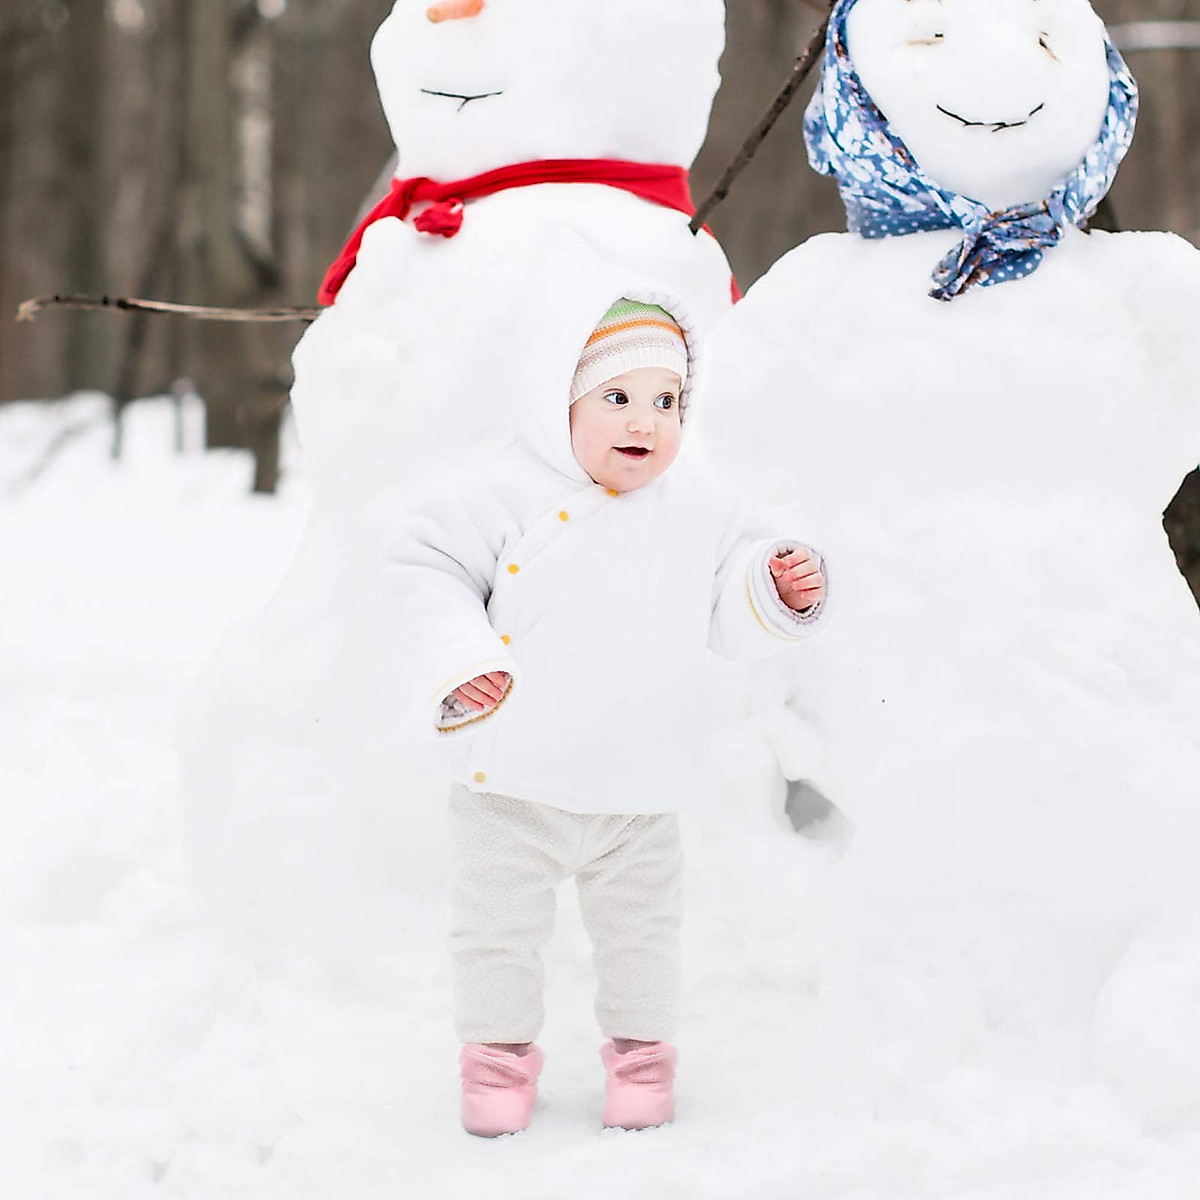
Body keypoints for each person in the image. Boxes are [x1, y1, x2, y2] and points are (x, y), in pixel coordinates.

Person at [386, 295, 829, 1137]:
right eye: (617, 397)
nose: (644, 422)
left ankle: (642, 1064)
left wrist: (773, 588)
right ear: (558, 398)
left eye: (667, 400)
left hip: (637, 792)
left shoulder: (697, 505)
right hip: (510, 785)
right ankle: (495, 1066)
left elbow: (729, 611)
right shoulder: (505, 489)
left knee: (642, 937)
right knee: (495, 935)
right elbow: (423, 568)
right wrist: (462, 661)